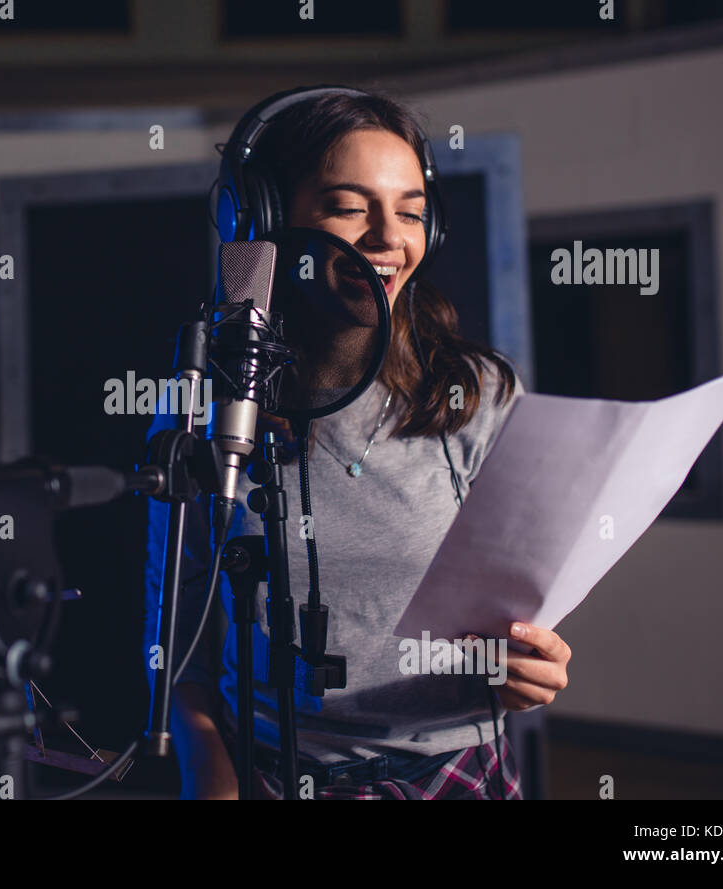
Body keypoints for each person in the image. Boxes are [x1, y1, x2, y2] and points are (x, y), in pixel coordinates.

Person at [144, 87, 571, 800]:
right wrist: (209, 775)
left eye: (409, 211)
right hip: (274, 773)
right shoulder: (201, 409)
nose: (388, 237)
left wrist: (532, 665)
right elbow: (176, 639)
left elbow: (520, 620)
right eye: (350, 206)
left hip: (456, 773)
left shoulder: (481, 394)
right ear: (269, 222)